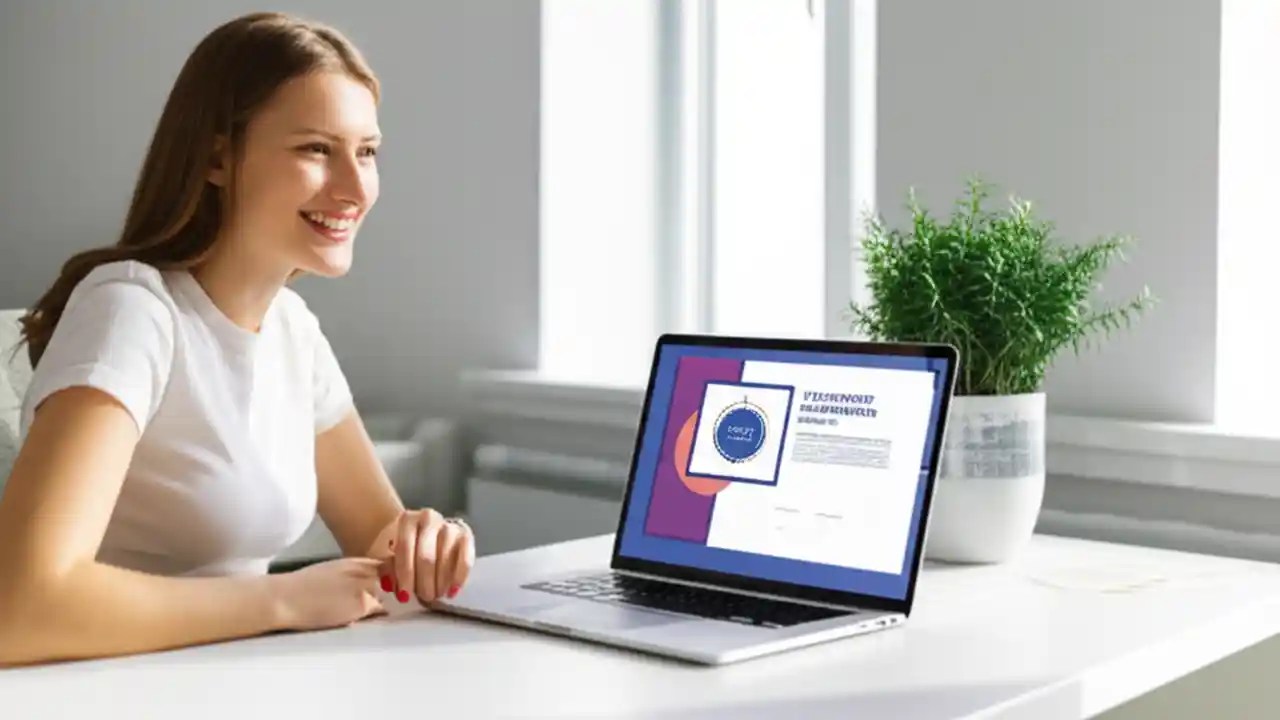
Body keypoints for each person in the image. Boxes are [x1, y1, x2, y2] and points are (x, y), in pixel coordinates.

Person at [0, 11, 475, 667]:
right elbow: (21, 607)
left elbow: (379, 543)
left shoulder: (292, 329)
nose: (355, 187)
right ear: (218, 157)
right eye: (316, 149)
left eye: (366, 151)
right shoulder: (131, 310)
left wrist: (429, 542)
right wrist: (282, 601)